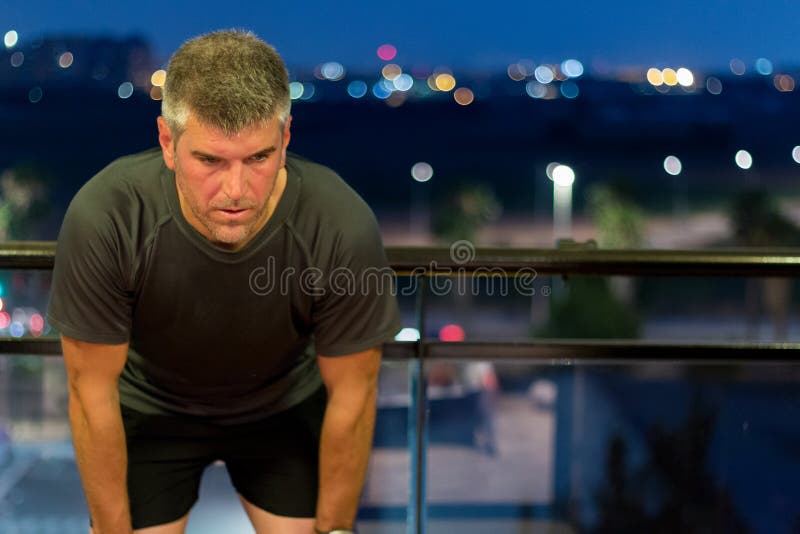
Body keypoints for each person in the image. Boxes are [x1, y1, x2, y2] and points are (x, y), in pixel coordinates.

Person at [46, 30, 401, 534]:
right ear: (168, 143)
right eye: (209, 160)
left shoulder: (339, 222)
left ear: (285, 140)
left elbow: (355, 392)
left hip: (282, 407)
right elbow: (90, 391)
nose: (235, 191)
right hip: (152, 409)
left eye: (257, 158)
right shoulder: (108, 216)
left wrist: (337, 531)